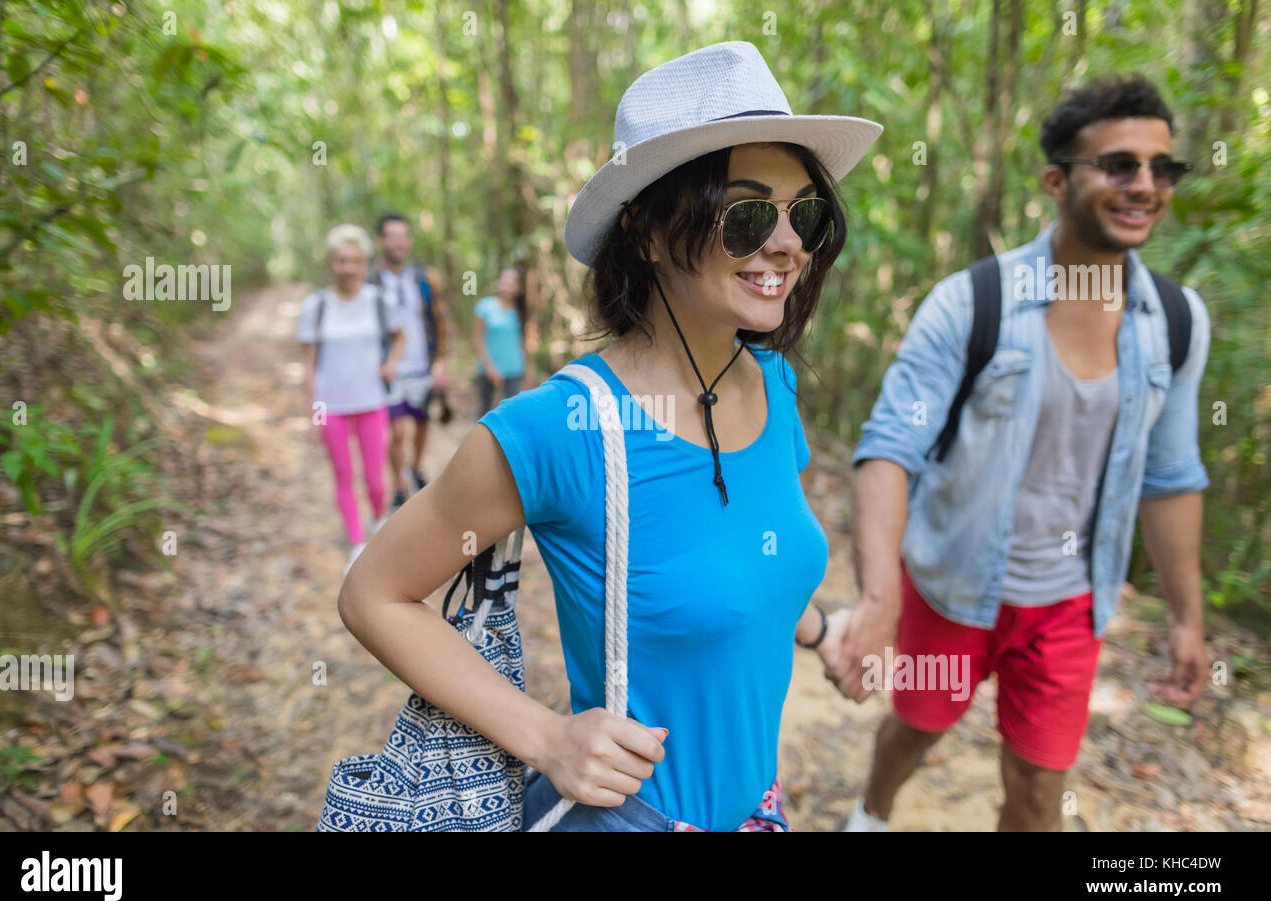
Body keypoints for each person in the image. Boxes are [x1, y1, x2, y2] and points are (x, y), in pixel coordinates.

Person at [337, 42, 881, 831]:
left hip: (761, 811)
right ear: (651, 233)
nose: (788, 242)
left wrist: (822, 631)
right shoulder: (560, 428)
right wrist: (548, 736)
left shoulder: (776, 384)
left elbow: (744, 554)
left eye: (807, 214)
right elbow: (372, 593)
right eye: (750, 213)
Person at [832, 76, 1210, 832]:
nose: (1144, 185)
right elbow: (890, 449)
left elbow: (1170, 478)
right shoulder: (973, 303)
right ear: (1056, 178)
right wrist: (880, 598)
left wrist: (1187, 617)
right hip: (949, 584)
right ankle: (871, 813)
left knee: (1040, 792)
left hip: (1071, 604)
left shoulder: (1174, 319)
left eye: (1161, 168)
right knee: (916, 728)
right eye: (1119, 165)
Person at [298, 224, 405, 574]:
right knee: (344, 476)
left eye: (355, 261)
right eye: (342, 261)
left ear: (364, 263)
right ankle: (357, 544)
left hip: (372, 402)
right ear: (331, 263)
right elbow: (310, 363)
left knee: (375, 479)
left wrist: (391, 363)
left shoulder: (377, 300)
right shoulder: (316, 306)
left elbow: (400, 335)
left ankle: (378, 519)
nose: (349, 268)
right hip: (332, 408)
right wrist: (312, 415)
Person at [374, 212, 452, 507]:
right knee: (395, 430)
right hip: (389, 370)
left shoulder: (424, 278)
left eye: (403, 236)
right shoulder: (372, 281)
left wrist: (442, 363)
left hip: (422, 365)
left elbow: (439, 321)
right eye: (391, 236)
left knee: (422, 423)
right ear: (381, 240)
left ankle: (416, 467)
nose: (398, 243)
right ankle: (397, 485)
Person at [473, 266, 529, 415]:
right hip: (488, 369)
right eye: (504, 281)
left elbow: (524, 342)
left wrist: (529, 370)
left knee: (511, 413)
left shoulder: (520, 312)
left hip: (514, 369)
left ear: (518, 288)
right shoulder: (484, 306)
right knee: (485, 413)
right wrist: (490, 368)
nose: (506, 286)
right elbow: (477, 338)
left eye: (511, 283)